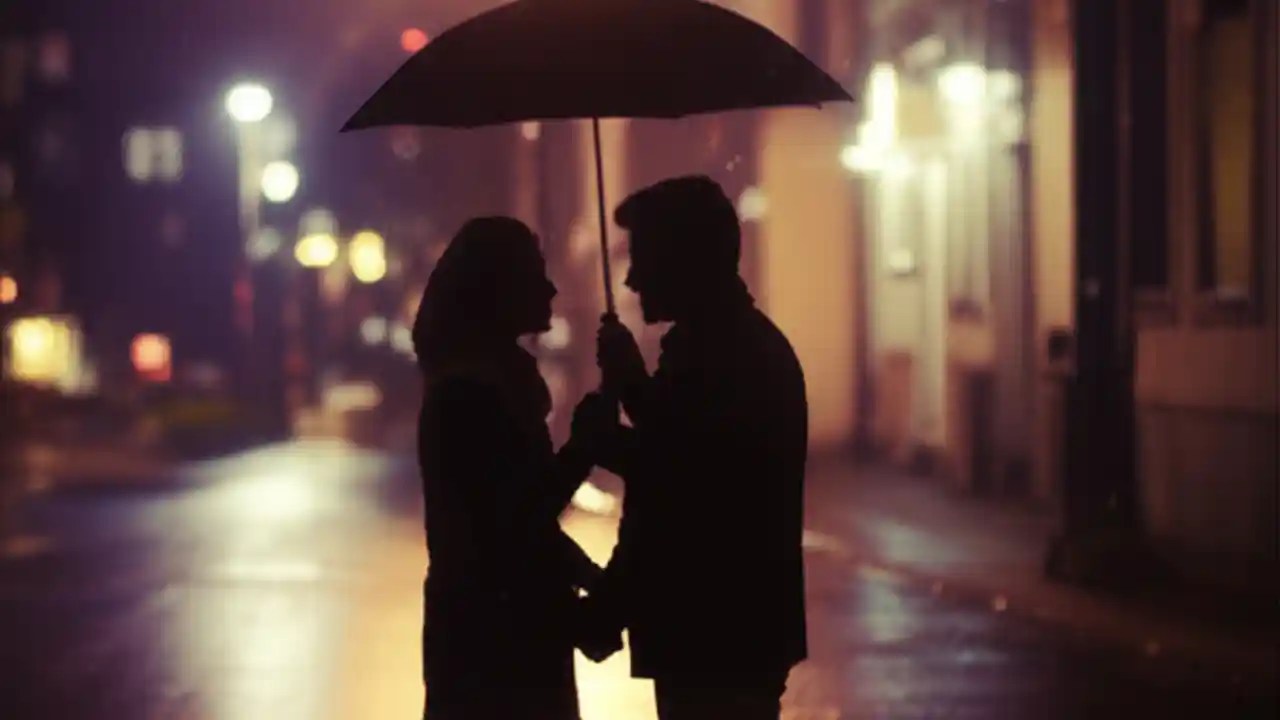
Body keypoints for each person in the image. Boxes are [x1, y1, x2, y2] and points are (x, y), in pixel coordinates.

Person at [579, 176, 810, 719]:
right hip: (726, 631)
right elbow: (680, 448)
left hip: (716, 631)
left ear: (684, 258)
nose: (632, 279)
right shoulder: (724, 344)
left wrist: (610, 428)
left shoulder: (724, 354)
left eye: (643, 259)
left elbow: (683, 488)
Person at [413, 217, 613, 720]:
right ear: (496, 289)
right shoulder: (467, 395)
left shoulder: (501, 382)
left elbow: (531, 526)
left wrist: (591, 580)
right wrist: (584, 446)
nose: (549, 287)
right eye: (534, 273)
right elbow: (514, 524)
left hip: (510, 637)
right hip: (491, 648)